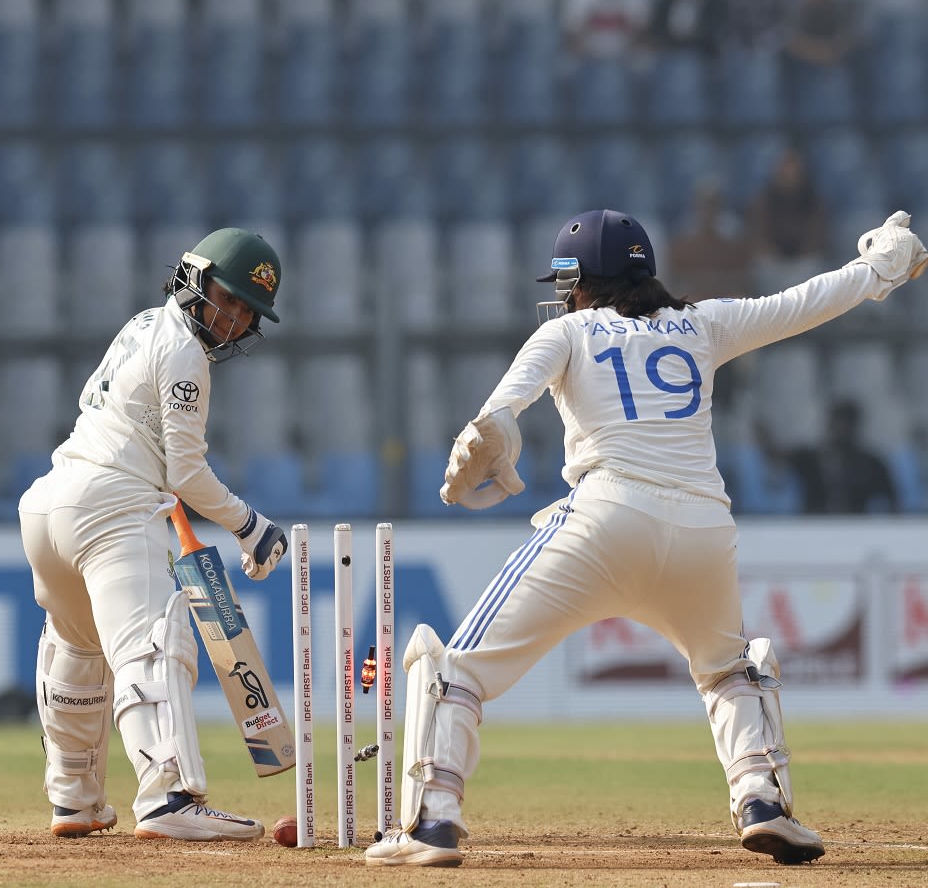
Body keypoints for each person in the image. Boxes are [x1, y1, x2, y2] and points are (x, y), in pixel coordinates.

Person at [364, 208, 927, 868]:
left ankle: (432, 820)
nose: (562, 291)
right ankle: (761, 800)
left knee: (456, 667)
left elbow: (499, 411)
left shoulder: (569, 330)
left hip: (606, 518)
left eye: (566, 277)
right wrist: (881, 267)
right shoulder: (705, 321)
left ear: (582, 278)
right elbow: (803, 301)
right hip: (701, 530)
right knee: (726, 668)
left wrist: (486, 440)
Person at [19, 227, 288, 841]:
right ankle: (168, 798)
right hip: (113, 507)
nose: (235, 317)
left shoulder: (145, 323)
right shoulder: (186, 353)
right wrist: (250, 526)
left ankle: (74, 799)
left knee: (77, 652)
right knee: (152, 645)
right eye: (230, 297)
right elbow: (185, 471)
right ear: (195, 279)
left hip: (48, 506)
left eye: (248, 309)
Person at [765, 398, 899, 514]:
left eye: (846, 425)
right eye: (836, 423)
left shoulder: (871, 464)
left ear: (855, 426)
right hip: (812, 527)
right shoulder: (809, 458)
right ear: (828, 424)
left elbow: (892, 501)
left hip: (856, 528)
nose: (840, 430)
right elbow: (775, 455)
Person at [745, 146, 830, 294]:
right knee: (763, 267)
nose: (789, 173)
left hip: (803, 261)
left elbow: (817, 234)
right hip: (773, 262)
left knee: (814, 267)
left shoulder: (812, 199)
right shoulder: (765, 199)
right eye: (785, 168)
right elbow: (758, 235)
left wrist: (800, 256)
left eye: (793, 167)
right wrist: (775, 256)